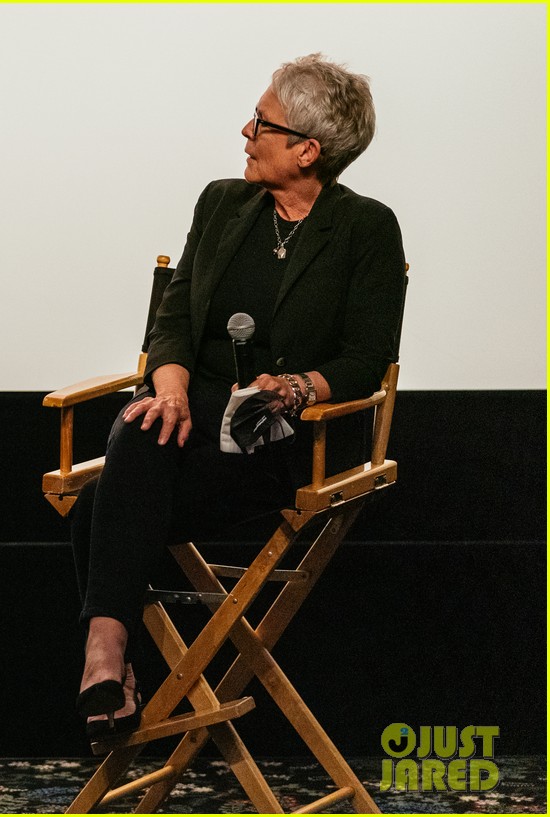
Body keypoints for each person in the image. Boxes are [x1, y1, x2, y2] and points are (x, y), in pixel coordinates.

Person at [71, 54, 405, 739]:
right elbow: (173, 318)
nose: (246, 132)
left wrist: (295, 388)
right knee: (142, 422)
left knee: (97, 509)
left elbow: (365, 360)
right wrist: (169, 387)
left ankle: (110, 661)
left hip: (290, 440)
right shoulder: (221, 203)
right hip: (190, 425)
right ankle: (106, 651)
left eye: (262, 122)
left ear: (307, 150)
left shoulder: (366, 229)